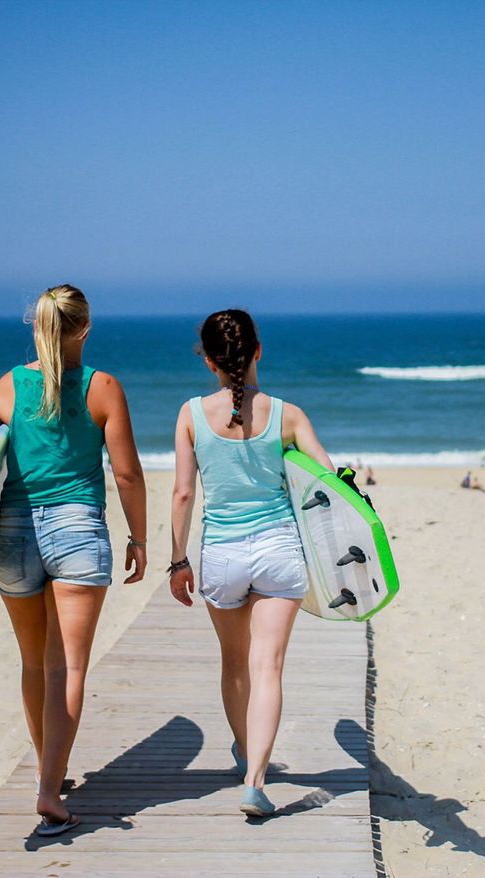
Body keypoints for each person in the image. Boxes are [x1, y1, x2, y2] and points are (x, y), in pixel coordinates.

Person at [0, 284, 147, 836]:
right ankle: (48, 789)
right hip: (78, 531)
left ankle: (50, 772)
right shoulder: (102, 387)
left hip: (14, 534)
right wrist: (139, 538)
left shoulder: (9, 385)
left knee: (34, 663)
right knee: (69, 667)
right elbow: (129, 473)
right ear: (85, 328)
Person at [168, 308, 333, 818]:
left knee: (235, 663)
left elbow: (182, 494)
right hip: (279, 552)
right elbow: (329, 485)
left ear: (209, 362)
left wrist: (177, 562)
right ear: (258, 351)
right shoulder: (289, 415)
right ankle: (255, 780)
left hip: (220, 553)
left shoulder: (191, 415)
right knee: (269, 667)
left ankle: (243, 750)